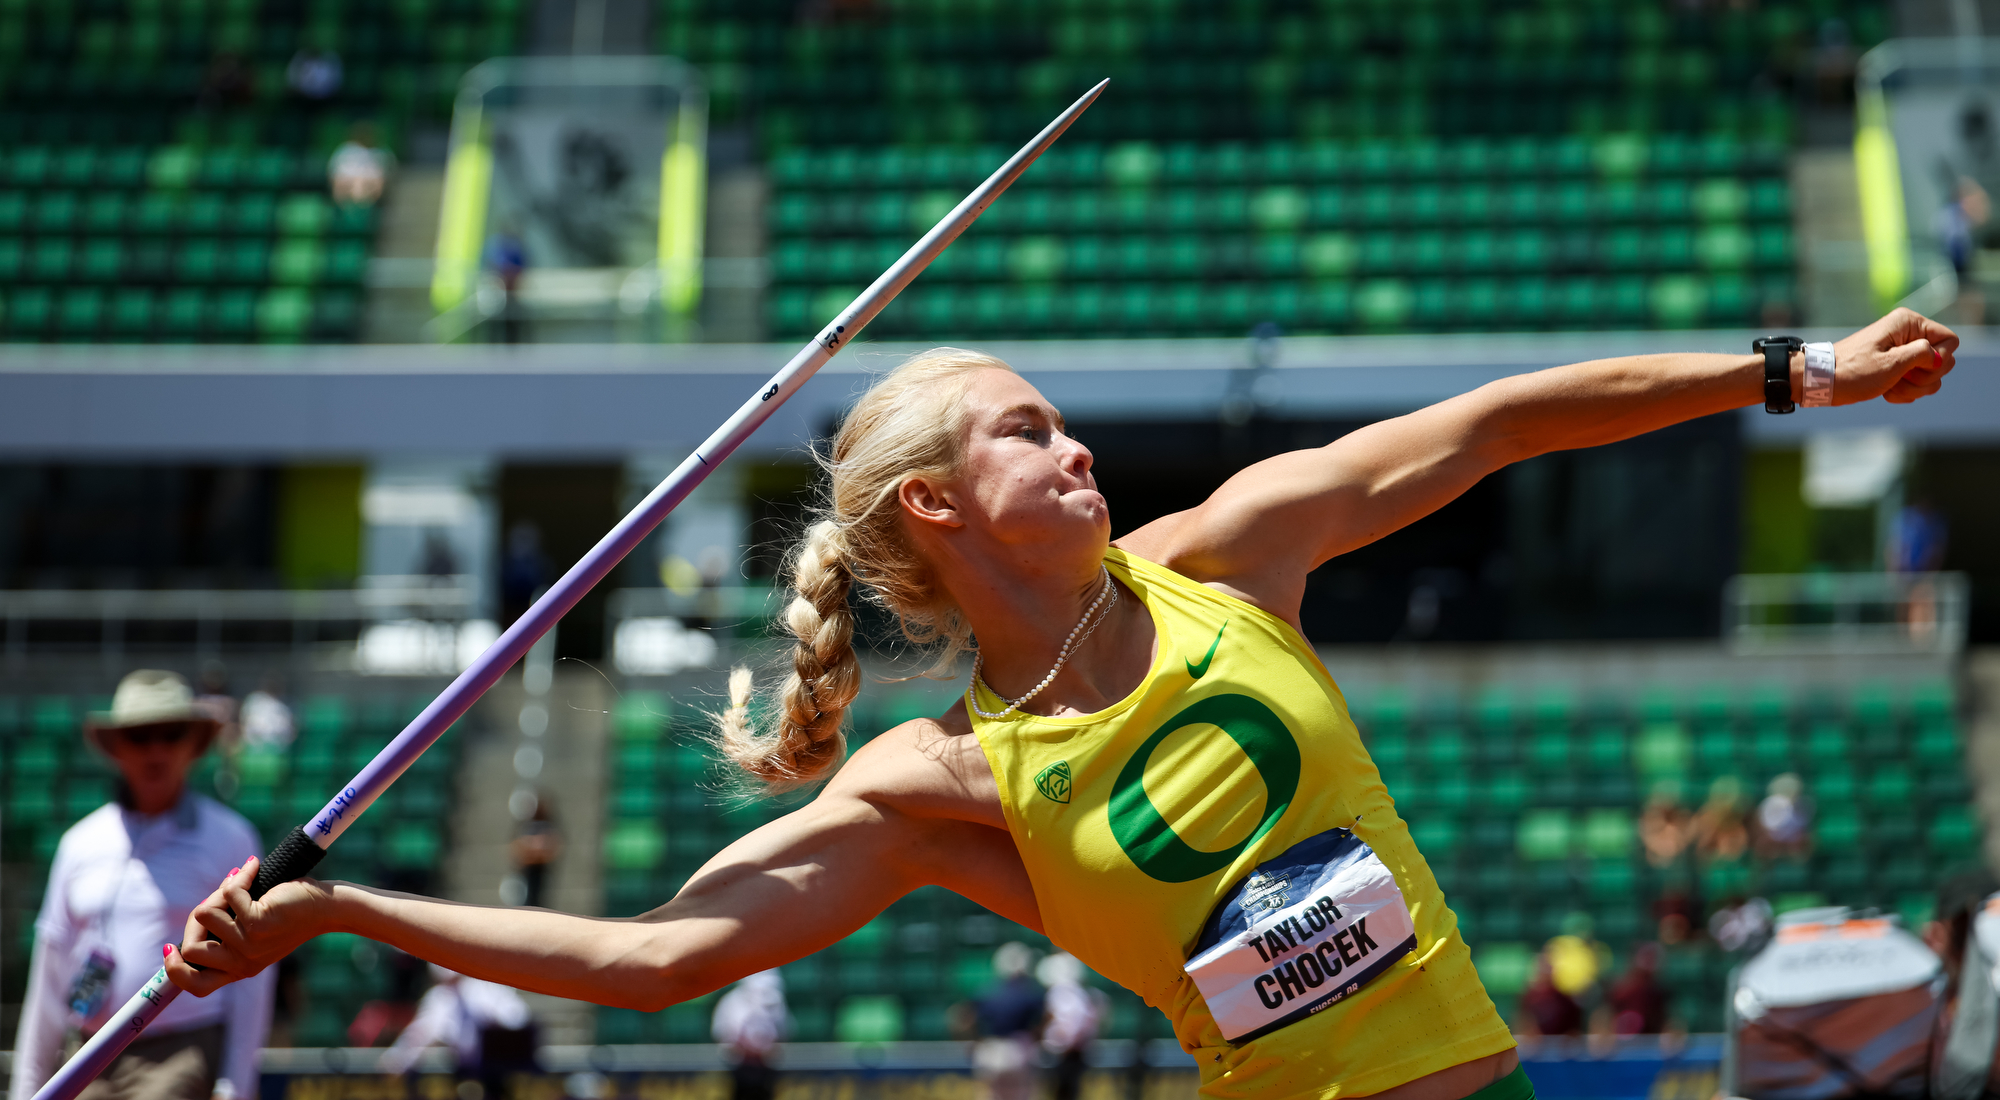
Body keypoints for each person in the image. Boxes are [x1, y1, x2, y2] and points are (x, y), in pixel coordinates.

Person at [167, 310, 1956, 1100]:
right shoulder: (935, 782)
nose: (1074, 439)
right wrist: (339, 906)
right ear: (934, 509)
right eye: (1026, 427)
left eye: (1061, 418)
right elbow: (651, 963)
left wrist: (1794, 371)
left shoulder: (1227, 558)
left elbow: (1491, 427)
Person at [10, 670, 274, 1100]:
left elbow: (253, 969)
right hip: (88, 1052)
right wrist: (27, 1088)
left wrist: (235, 1085)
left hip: (180, 1051)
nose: (155, 750)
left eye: (170, 734)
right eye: (140, 736)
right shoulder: (79, 843)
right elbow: (49, 973)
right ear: (116, 748)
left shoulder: (231, 838)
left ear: (193, 745)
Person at [383, 965, 535, 1100]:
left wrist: (493, 1020)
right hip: (461, 1069)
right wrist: (398, 1059)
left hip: (498, 1069)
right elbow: (419, 1033)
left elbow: (519, 1017)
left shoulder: (487, 988)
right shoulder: (439, 997)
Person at [972, 943, 1044, 1100]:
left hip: (991, 1048)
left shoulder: (987, 990)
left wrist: (975, 1041)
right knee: (1021, 1094)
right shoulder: (1029, 990)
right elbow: (1046, 1017)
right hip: (1018, 1049)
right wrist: (1037, 1037)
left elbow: (964, 1018)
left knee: (992, 1094)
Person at [711, 970, 787, 1100]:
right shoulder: (730, 1001)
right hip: (737, 1068)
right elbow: (720, 1032)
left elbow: (784, 1032)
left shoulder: (776, 1000)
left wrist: (766, 1047)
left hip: (766, 1068)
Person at [1038, 952, 1104, 1100]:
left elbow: (1071, 1023)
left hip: (1065, 1053)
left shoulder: (1060, 991)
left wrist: (1066, 1042)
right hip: (1074, 1051)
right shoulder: (1079, 992)